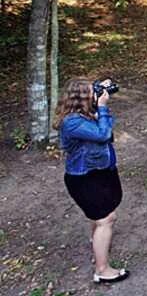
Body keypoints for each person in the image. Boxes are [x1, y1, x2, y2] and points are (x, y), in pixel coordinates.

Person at [55, 79, 129, 285]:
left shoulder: (85, 115)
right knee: (106, 219)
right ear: (81, 98)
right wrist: (102, 107)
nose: (96, 94)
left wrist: (99, 106)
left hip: (98, 172)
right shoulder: (72, 122)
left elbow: (108, 130)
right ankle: (102, 270)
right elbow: (104, 134)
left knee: (100, 217)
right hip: (84, 178)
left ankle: (97, 241)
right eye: (92, 92)